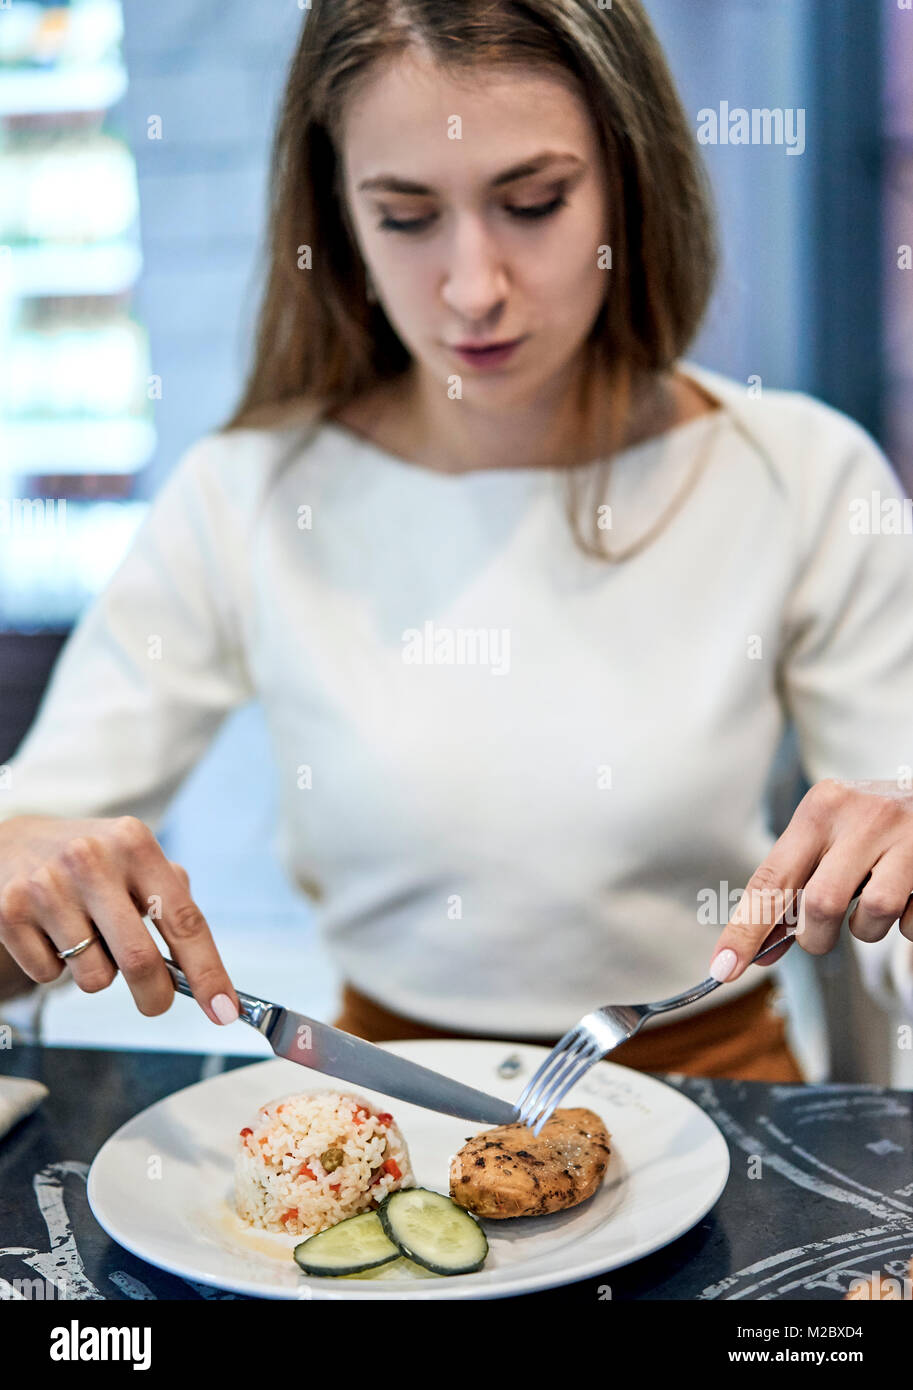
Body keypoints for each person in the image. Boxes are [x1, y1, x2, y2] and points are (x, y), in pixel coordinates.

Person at [1, 0, 911, 1082]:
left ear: (630, 179)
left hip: (723, 1119)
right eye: (404, 216)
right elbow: (39, 844)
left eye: (533, 203)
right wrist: (23, 876)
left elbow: (889, 910)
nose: (474, 288)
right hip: (381, 1115)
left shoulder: (801, 473)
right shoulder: (248, 492)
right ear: (334, 215)